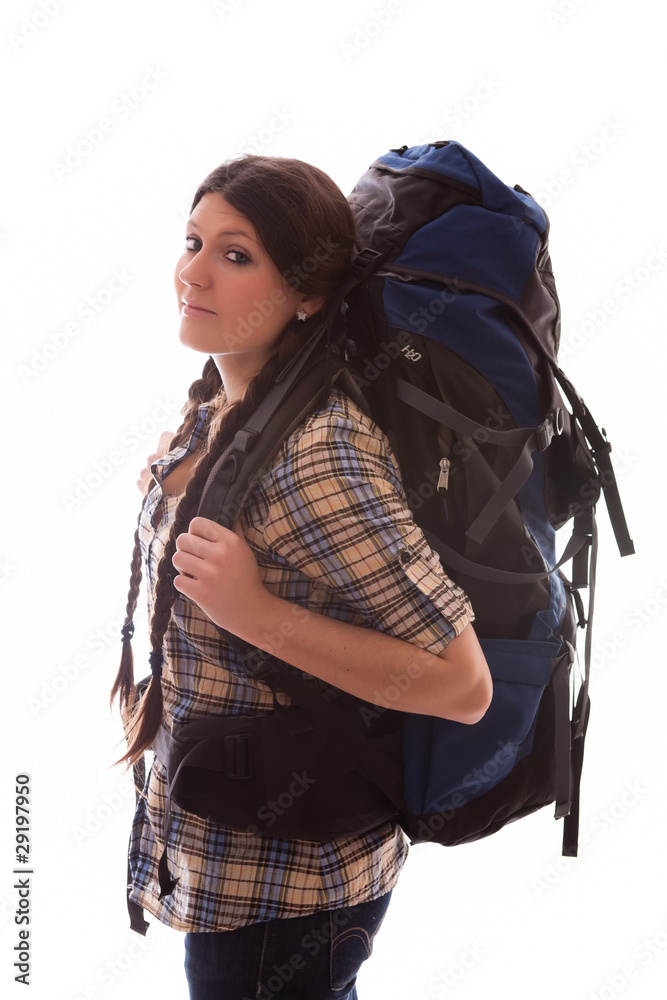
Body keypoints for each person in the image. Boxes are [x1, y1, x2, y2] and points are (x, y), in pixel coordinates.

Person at [110, 153, 492, 1000]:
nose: (193, 272)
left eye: (235, 255)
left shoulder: (320, 452)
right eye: (193, 240)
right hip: (227, 857)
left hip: (289, 887)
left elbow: (462, 686)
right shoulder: (220, 407)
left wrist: (249, 610)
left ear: (308, 294)